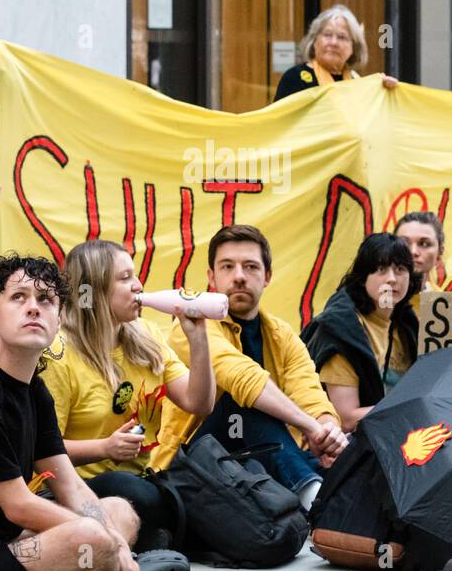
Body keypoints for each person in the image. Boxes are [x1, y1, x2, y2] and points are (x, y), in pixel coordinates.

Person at [0, 254, 190, 571]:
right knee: (90, 536)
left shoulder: (32, 389)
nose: (33, 308)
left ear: (59, 320)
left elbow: (67, 482)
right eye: (18, 297)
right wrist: (102, 538)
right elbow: (19, 507)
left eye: (45, 300)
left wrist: (112, 538)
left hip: (5, 544)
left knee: (119, 511)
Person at [157, 225, 348, 511]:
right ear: (211, 276)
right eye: (227, 267)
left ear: (267, 276)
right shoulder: (192, 325)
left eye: (250, 267)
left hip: (261, 454)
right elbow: (241, 377)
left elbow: (309, 391)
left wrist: (328, 431)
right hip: (194, 463)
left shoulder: (281, 334)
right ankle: (316, 505)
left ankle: (334, 506)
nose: (239, 277)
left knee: (350, 453)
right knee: (243, 402)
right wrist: (310, 427)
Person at [40, 240, 215, 549]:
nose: (138, 286)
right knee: (136, 492)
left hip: (144, 479)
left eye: (135, 276)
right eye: (124, 278)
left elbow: (199, 402)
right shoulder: (59, 352)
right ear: (92, 289)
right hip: (77, 489)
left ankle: (150, 540)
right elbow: (40, 450)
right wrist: (105, 448)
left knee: (202, 488)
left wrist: (198, 337)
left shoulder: (146, 334)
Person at [303, 233, 418, 432]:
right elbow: (346, 419)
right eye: (381, 270)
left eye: (400, 269)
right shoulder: (339, 330)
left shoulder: (408, 324)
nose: (391, 279)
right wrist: (417, 409)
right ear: (363, 277)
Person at [273, 4, 398, 101]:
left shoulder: (357, 82)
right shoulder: (294, 78)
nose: (333, 42)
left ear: (353, 47)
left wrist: (385, 93)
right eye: (327, 35)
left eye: (342, 37)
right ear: (314, 40)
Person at [395, 210, 444, 309]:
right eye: (404, 243)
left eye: (424, 244)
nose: (413, 251)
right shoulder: (368, 299)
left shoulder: (449, 307)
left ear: (439, 254)